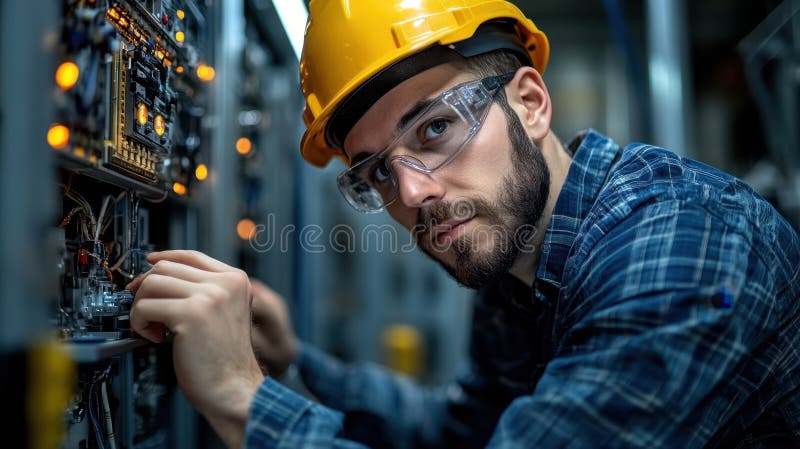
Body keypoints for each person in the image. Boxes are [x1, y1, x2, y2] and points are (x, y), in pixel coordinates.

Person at [127, 0, 800, 448]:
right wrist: (290, 363)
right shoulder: (518, 264)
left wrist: (244, 402)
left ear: (531, 103)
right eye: (377, 173)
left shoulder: (683, 246)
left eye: (437, 127)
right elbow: (462, 431)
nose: (414, 191)